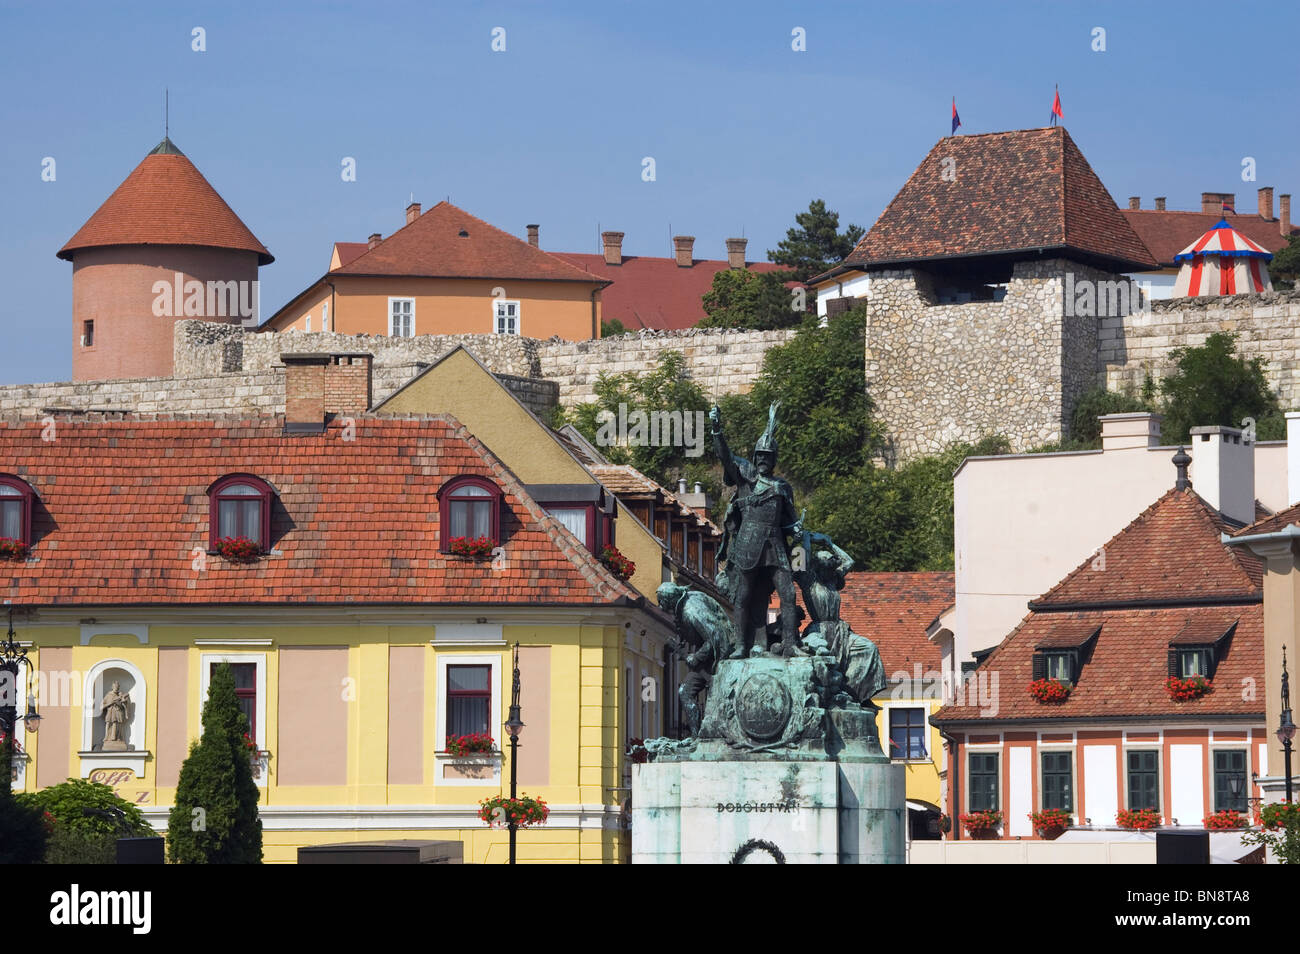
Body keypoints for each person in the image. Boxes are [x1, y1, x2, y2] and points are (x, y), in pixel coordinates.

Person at [710, 402, 802, 657]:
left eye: (767, 456)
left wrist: (797, 530)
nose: (762, 459)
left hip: (774, 544)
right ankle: (741, 645)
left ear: (773, 459)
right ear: (754, 457)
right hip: (749, 541)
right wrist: (717, 429)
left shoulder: (782, 487)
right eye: (759, 455)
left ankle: (791, 643)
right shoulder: (745, 476)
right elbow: (725, 457)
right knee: (743, 594)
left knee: (788, 593)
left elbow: (790, 521)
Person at [657, 582, 735, 736]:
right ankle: (696, 737)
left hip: (721, 657)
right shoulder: (687, 600)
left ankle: (716, 733)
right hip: (708, 658)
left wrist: (697, 657)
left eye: (662, 602)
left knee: (719, 698)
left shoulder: (692, 612)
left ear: (671, 600)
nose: (660, 606)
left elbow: (715, 637)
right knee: (685, 692)